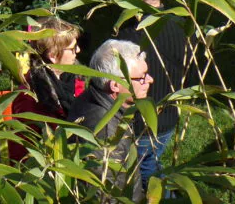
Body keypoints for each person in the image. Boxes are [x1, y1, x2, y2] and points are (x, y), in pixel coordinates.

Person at [118, 0, 190, 192]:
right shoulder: (182, 25)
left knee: (146, 170)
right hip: (169, 115)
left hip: (141, 121)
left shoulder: (129, 33)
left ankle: (162, 195)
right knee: (153, 162)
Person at [68, 39, 152, 202]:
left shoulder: (92, 96)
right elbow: (109, 193)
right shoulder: (107, 134)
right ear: (115, 85)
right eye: (141, 78)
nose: (149, 80)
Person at [8, 17, 86, 162]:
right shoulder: (32, 95)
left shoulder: (79, 80)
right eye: (73, 48)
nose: (79, 50)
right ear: (53, 56)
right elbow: (24, 149)